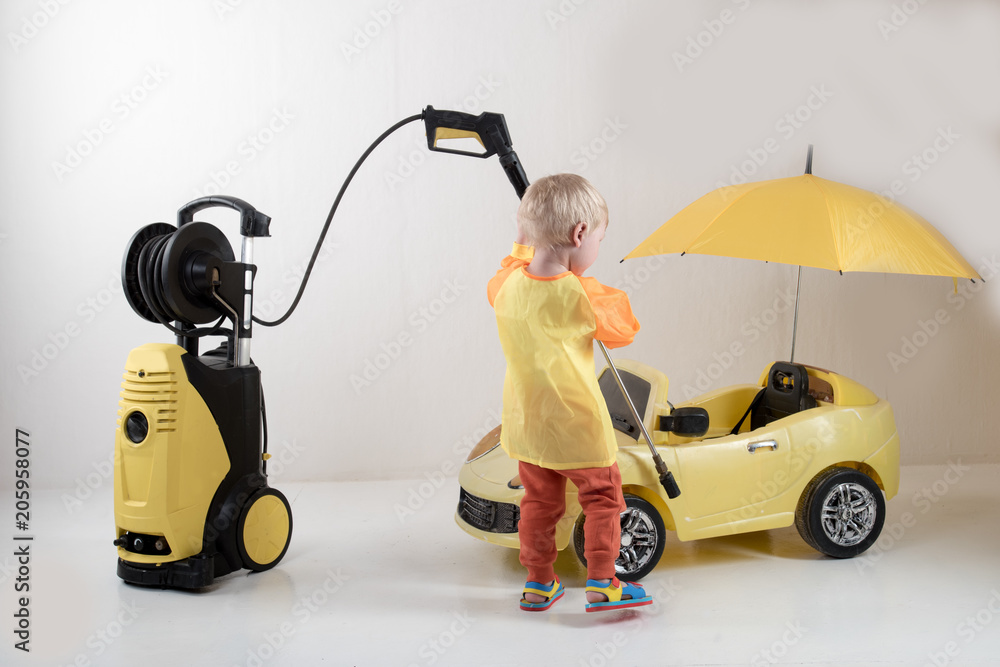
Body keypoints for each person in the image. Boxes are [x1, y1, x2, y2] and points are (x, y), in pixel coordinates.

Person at [487, 173, 652, 613]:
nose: (597, 247)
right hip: (579, 426)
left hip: (528, 427)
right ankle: (603, 581)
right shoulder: (583, 293)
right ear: (580, 234)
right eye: (598, 237)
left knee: (539, 503)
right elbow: (624, 331)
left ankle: (540, 582)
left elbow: (509, 264)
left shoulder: (504, 286)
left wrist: (523, 244)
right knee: (603, 500)